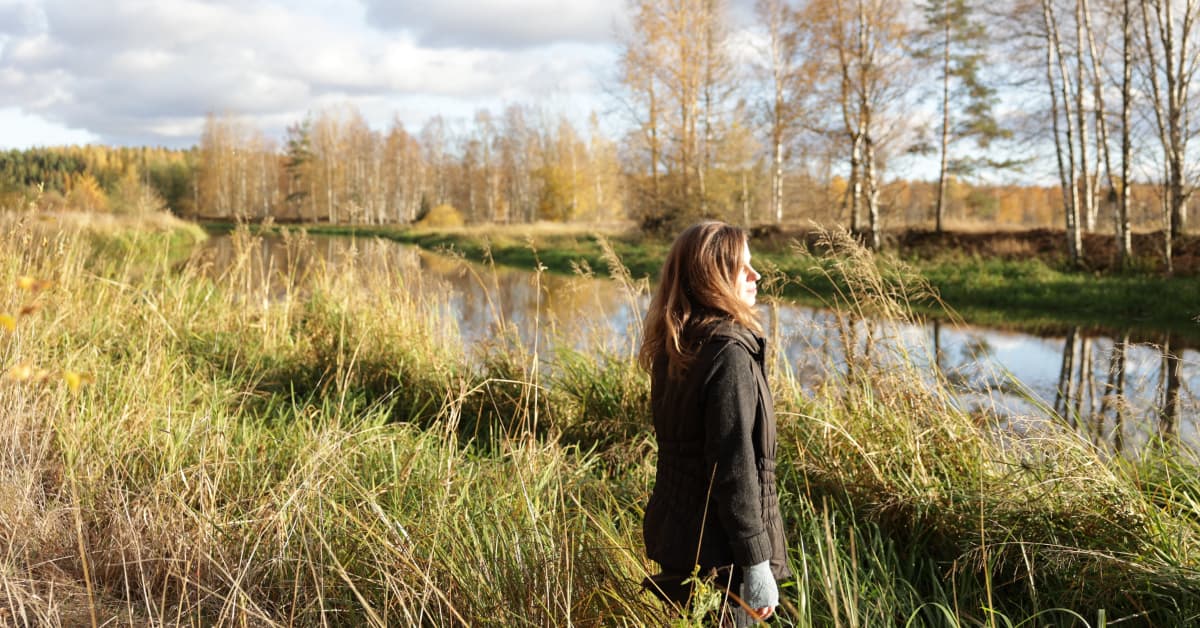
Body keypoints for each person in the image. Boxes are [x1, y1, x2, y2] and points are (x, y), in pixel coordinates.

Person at [638, 221, 791, 625]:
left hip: (683, 543)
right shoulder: (728, 354)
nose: (756, 275)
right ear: (713, 276)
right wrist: (756, 563)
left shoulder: (678, 344)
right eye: (742, 267)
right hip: (721, 560)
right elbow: (734, 468)